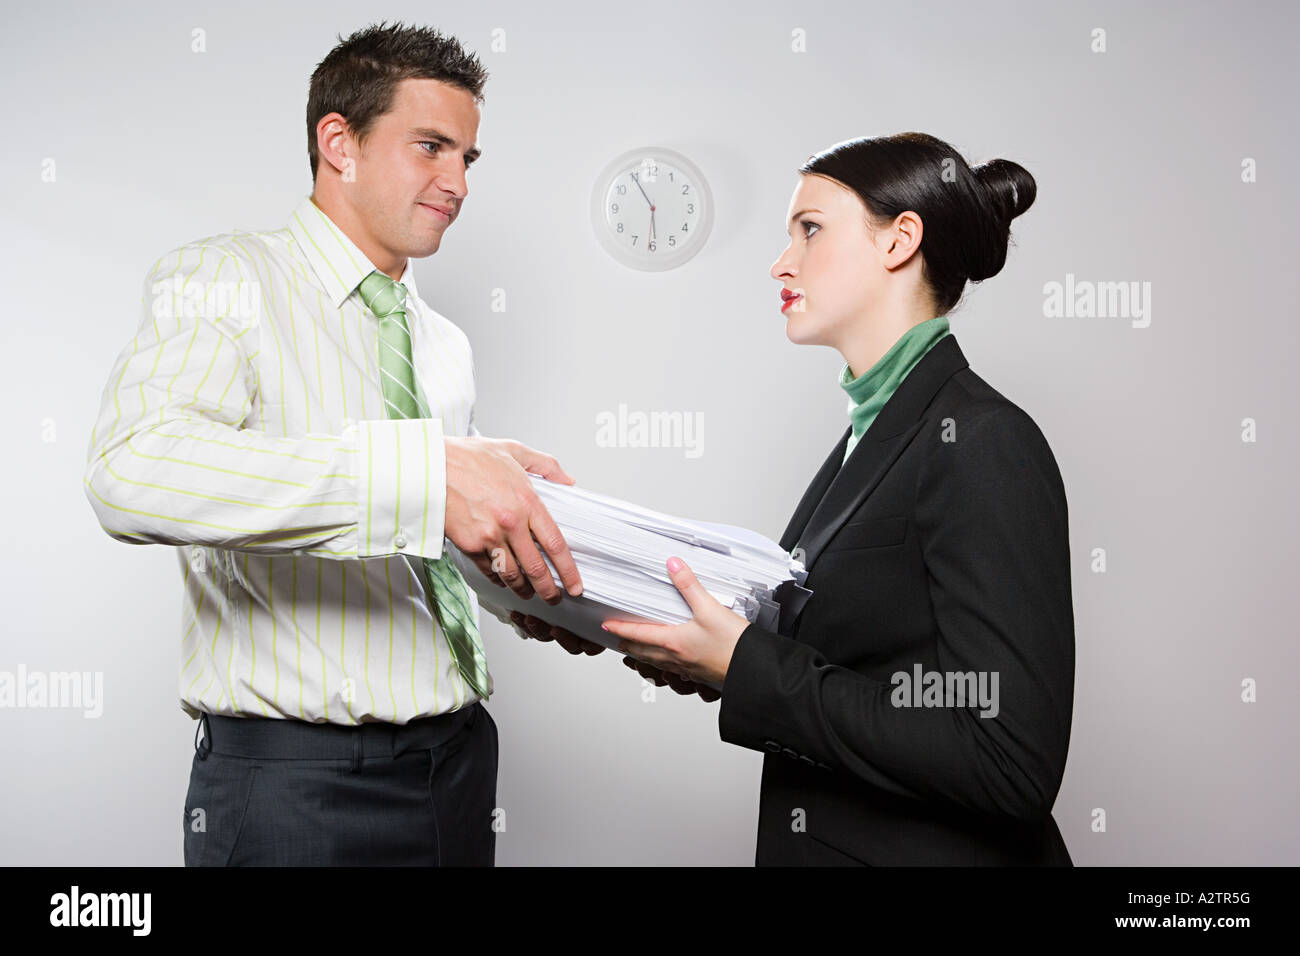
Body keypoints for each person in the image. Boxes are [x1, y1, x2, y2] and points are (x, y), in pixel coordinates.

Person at [81, 21, 585, 866]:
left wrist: (531, 585)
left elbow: (423, 540)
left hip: (459, 763)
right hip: (295, 786)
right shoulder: (226, 279)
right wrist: (429, 472)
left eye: (468, 158)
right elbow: (131, 470)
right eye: (431, 147)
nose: (457, 182)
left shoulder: (443, 342)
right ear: (339, 143)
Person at [598, 132, 1076, 866]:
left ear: (900, 241)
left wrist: (748, 667)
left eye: (810, 229)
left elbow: (1007, 757)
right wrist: (705, 652)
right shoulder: (872, 434)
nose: (781, 263)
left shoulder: (981, 441)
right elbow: (850, 666)